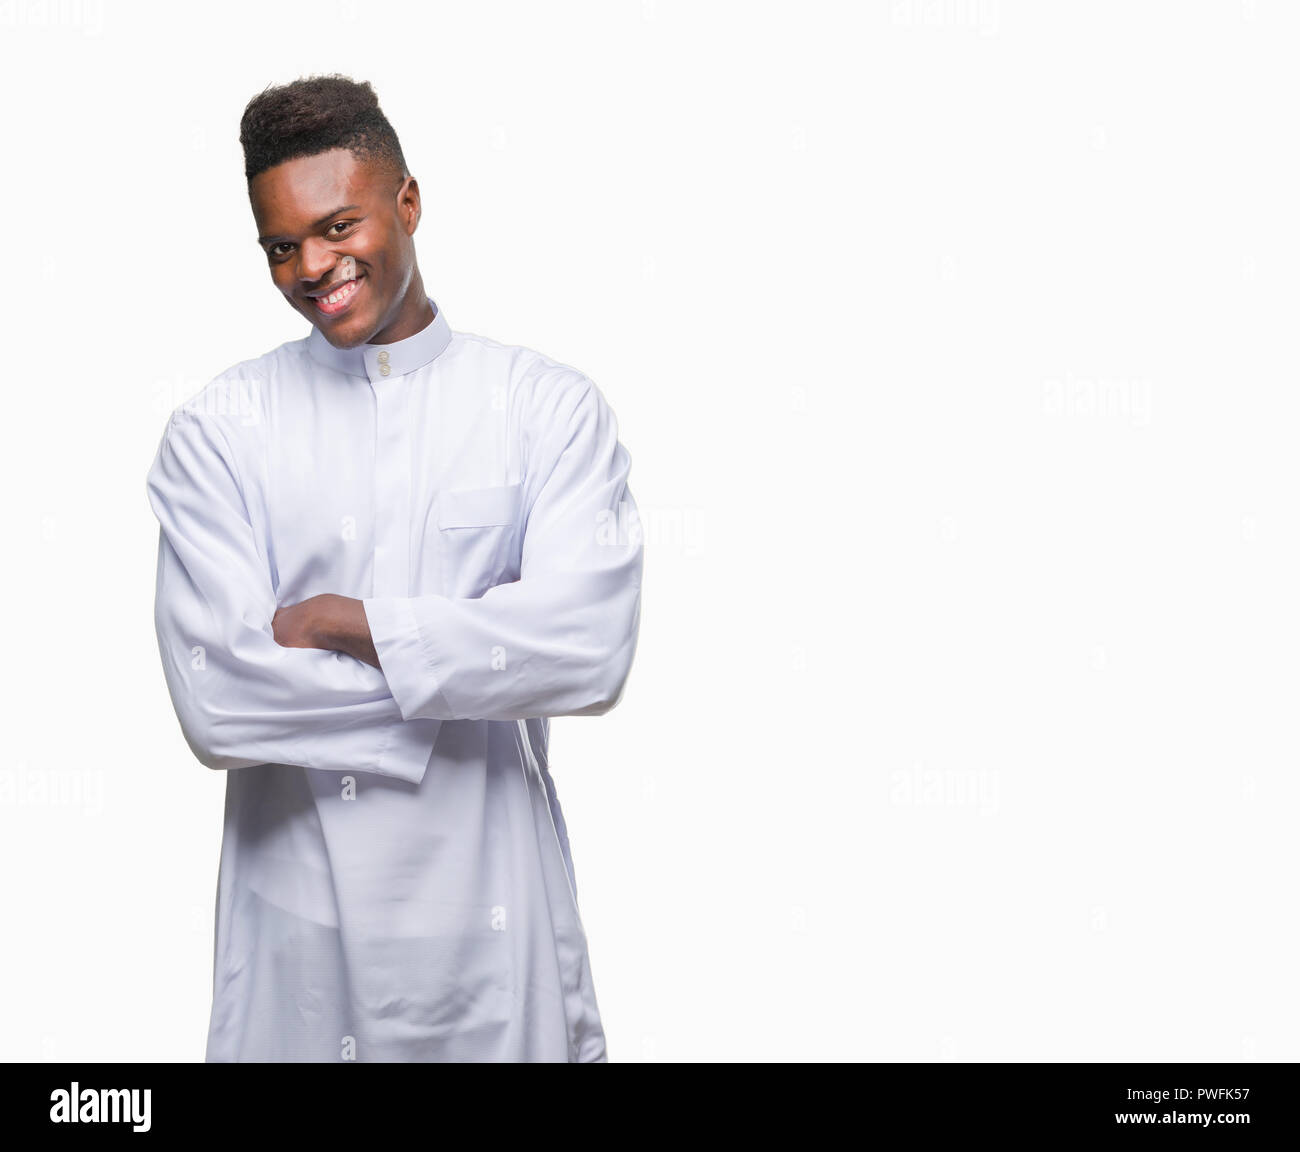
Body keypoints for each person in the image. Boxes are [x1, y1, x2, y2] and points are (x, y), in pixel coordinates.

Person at [144, 74, 643, 1062]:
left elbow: (586, 650)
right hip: (298, 938)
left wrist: (338, 622)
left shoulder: (543, 409)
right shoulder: (218, 433)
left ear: (407, 202)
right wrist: (470, 665)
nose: (313, 267)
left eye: (338, 226)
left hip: (491, 930)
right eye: (281, 245)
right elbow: (218, 705)